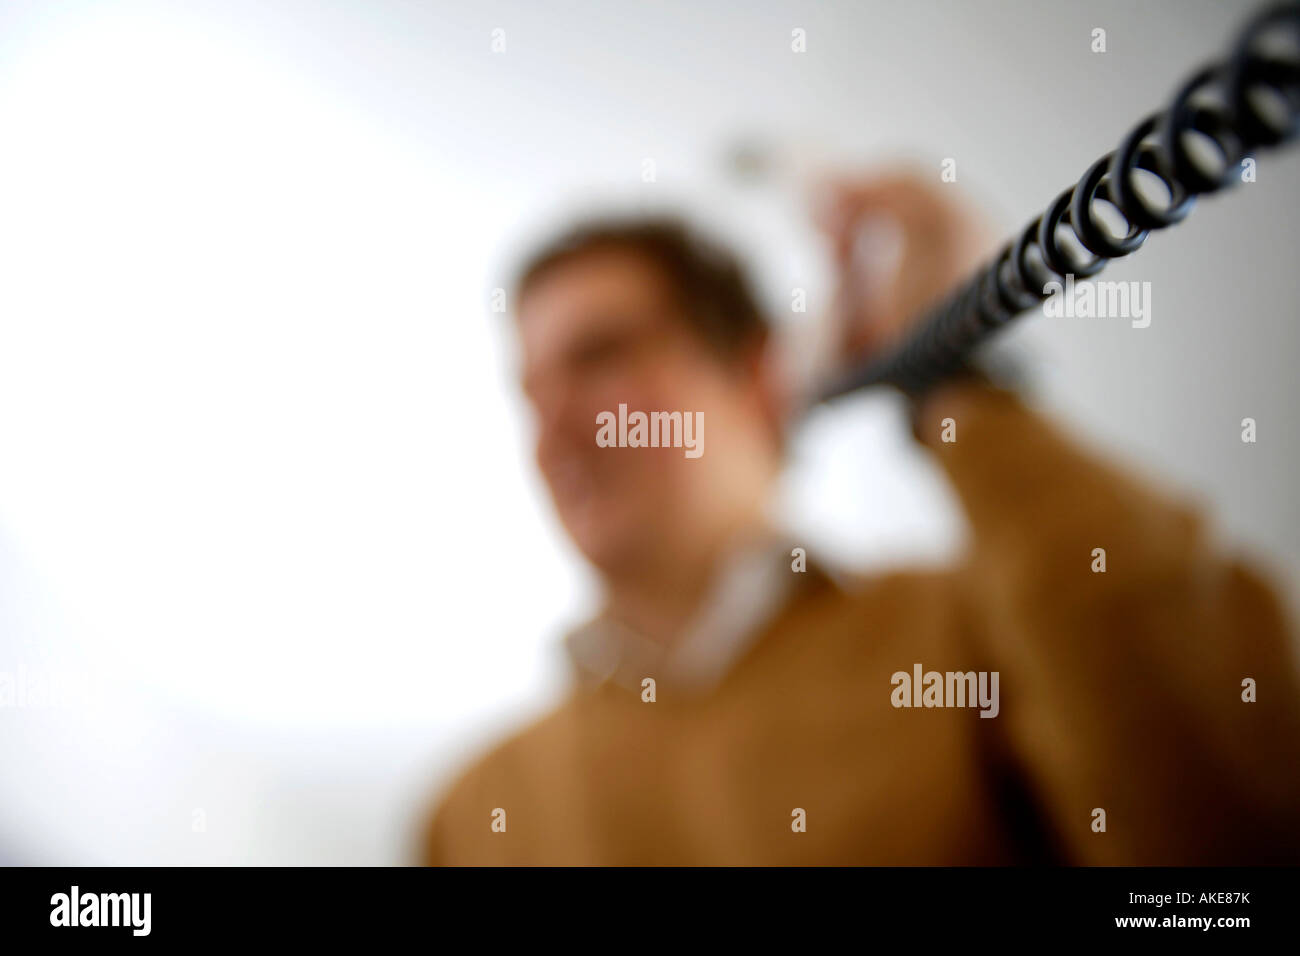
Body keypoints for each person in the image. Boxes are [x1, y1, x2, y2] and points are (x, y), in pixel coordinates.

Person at [420, 172, 1300, 865]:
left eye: (601, 355)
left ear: (760, 378)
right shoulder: (469, 815)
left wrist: (955, 381)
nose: (553, 429)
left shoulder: (981, 636)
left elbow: (1230, 838)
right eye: (531, 392)